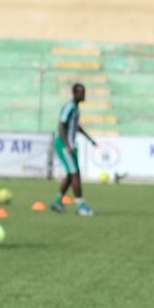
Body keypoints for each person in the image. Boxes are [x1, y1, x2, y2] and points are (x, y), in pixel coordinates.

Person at [53, 82, 98, 216]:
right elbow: (61, 125)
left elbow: (76, 127)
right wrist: (67, 145)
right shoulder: (70, 107)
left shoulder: (75, 108)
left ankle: (57, 202)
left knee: (70, 174)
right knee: (75, 174)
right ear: (75, 93)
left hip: (69, 145)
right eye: (81, 92)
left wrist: (89, 139)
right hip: (64, 144)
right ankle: (81, 206)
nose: (84, 95)